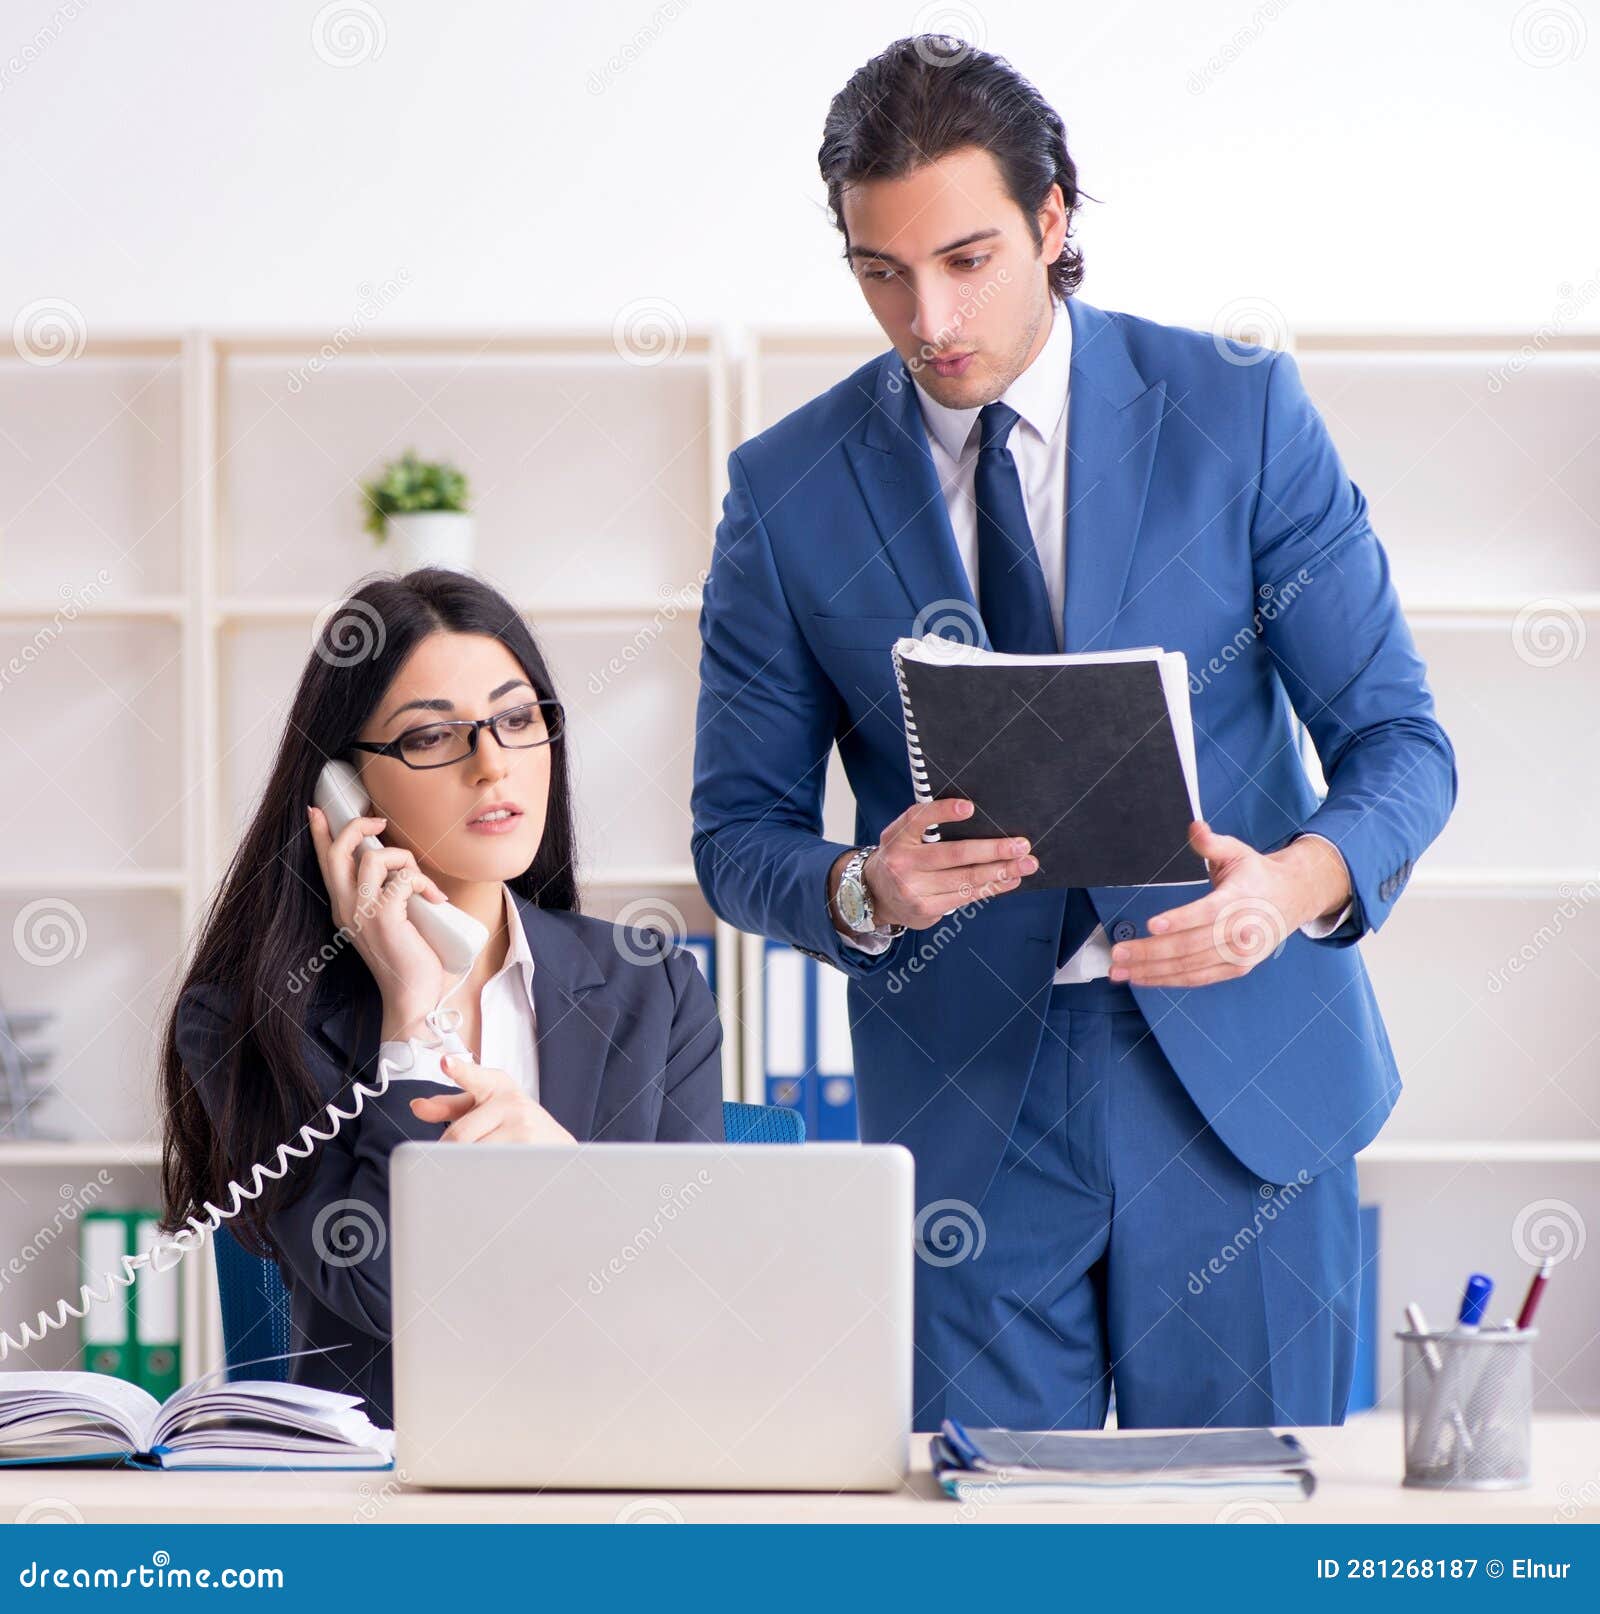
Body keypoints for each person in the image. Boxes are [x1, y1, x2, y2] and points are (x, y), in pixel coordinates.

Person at [691, 37, 1457, 1433]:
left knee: (1246, 1552)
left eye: (968, 258)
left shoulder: (1240, 412)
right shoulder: (785, 490)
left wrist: (1286, 889)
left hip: (1240, 1085)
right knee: (989, 1556)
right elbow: (735, 829)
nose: (927, 317)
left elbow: (1403, 744)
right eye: (881, 271)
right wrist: (863, 886)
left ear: (1053, 223)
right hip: (973, 1115)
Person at [163, 568, 723, 1428]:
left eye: (516, 718)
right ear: (345, 791)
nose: (492, 764)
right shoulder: (247, 1022)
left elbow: (695, 1307)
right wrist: (411, 1018)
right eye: (431, 738)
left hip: (621, 1470)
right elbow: (383, 1291)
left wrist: (570, 1176)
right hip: (382, 1505)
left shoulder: (655, 988)